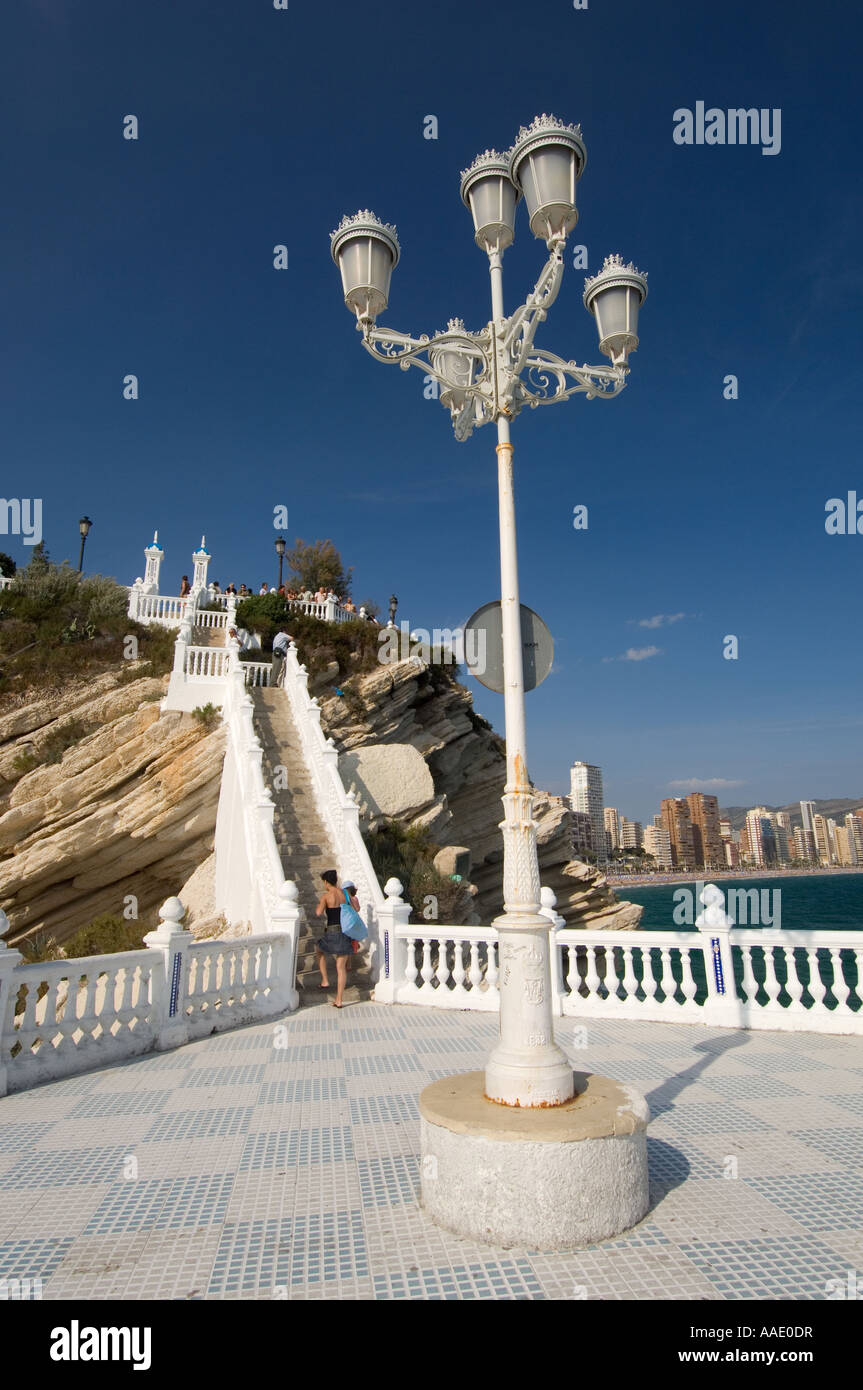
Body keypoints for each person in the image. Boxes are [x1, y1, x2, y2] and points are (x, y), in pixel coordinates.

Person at [315, 870, 357, 1006]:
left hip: (332, 932)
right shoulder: (345, 894)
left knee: (319, 950)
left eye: (324, 883)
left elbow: (318, 913)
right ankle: (339, 1000)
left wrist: (320, 904)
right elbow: (356, 908)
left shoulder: (326, 896)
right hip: (344, 932)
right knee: (341, 967)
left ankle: (325, 980)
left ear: (326, 882)